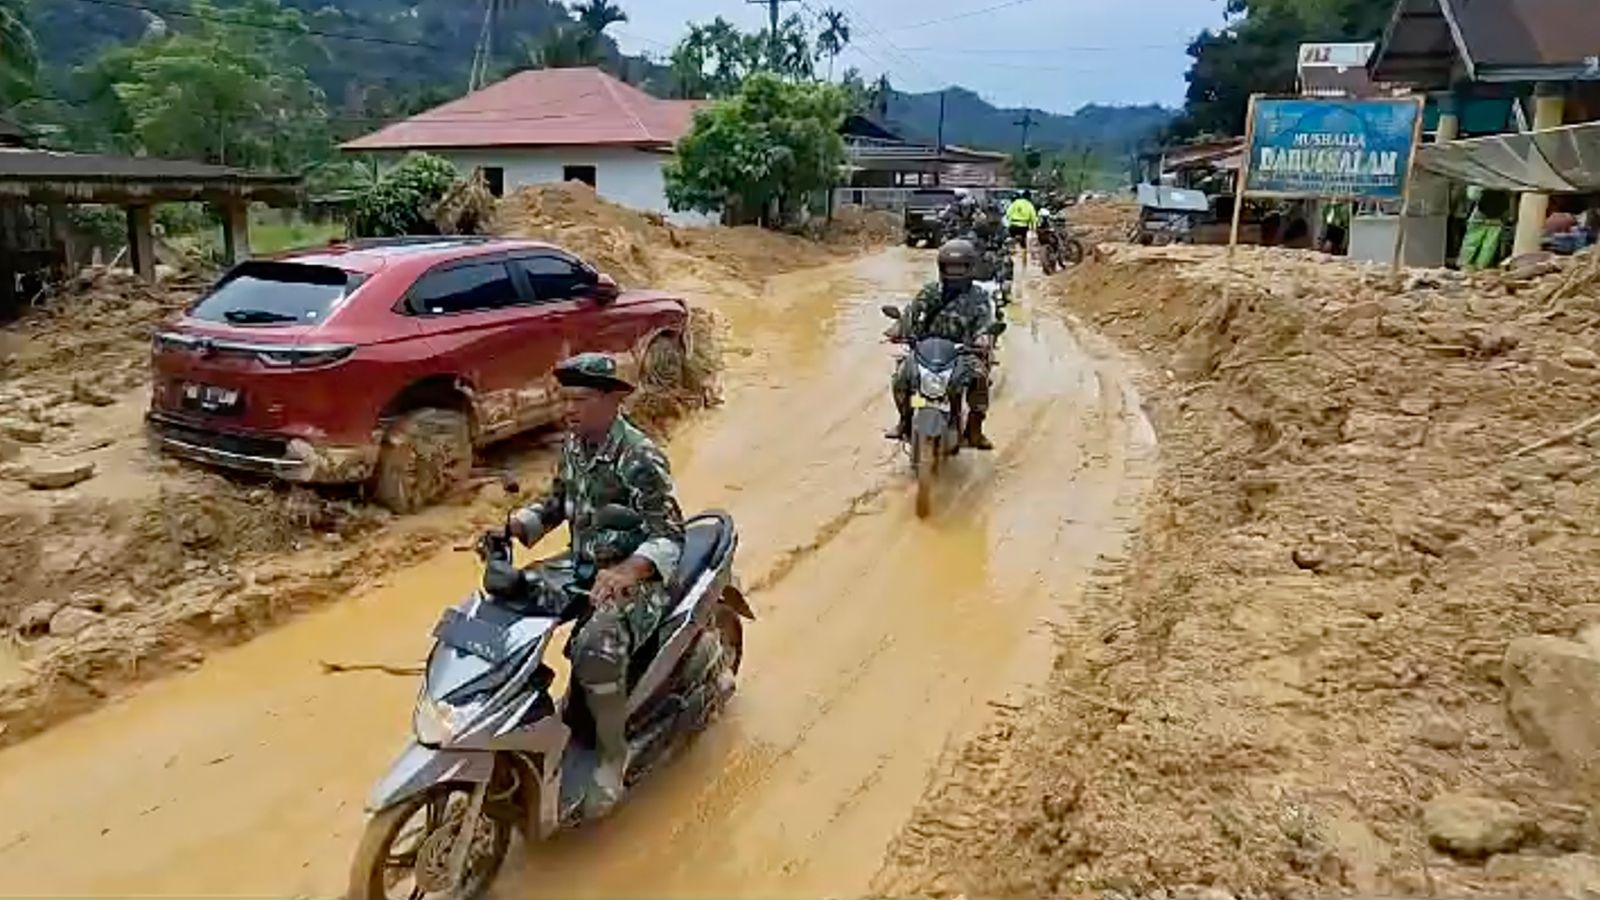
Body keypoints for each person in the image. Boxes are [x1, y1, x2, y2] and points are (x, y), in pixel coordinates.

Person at [507, 352, 685, 819]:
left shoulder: (639, 457)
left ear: (611, 401)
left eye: (581, 399)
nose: (569, 408)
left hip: (635, 577)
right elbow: (558, 502)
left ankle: (611, 754)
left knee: (596, 648)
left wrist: (629, 571)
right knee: (505, 607)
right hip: (583, 566)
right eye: (564, 398)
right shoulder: (573, 446)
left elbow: (668, 533)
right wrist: (518, 525)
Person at [887, 239, 995, 450]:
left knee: (980, 378)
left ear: (970, 268)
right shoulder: (930, 292)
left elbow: (986, 322)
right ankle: (905, 421)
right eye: (950, 267)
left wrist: (983, 338)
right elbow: (911, 314)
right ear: (941, 268)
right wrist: (897, 330)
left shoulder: (979, 297)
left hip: (962, 352)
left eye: (960, 267)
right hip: (926, 351)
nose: (954, 272)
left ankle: (975, 431)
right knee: (901, 378)